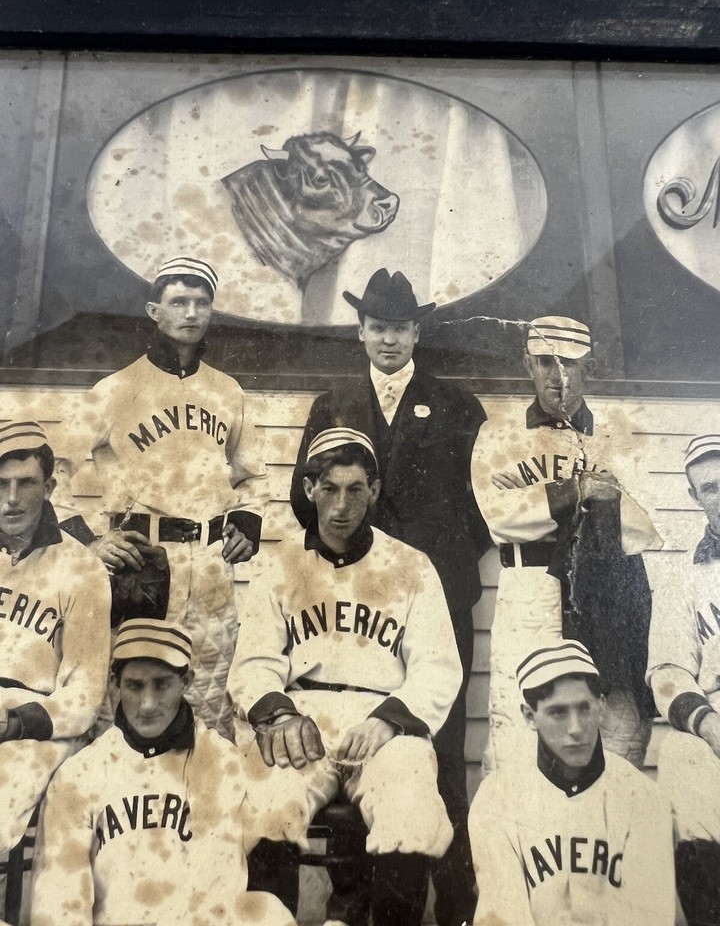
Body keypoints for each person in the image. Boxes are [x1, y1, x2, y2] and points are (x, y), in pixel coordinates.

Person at [290, 268, 488, 926]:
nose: (389, 339)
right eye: (378, 327)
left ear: (416, 331)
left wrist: (439, 565)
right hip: (355, 605)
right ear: (361, 330)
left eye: (400, 328)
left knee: (437, 750)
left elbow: (484, 507)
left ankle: (454, 907)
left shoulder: (456, 405)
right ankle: (350, 906)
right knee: (352, 742)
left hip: (433, 606)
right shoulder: (335, 404)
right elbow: (305, 499)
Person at [231, 428, 461, 926]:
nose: (341, 505)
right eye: (329, 489)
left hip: (384, 719)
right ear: (309, 488)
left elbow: (439, 666)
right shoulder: (278, 565)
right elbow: (253, 662)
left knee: (410, 805)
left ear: (374, 491)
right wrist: (280, 716)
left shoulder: (411, 566)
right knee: (268, 800)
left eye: (355, 489)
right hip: (302, 714)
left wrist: (389, 722)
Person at [68, 257, 268, 738]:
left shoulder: (227, 391)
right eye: (179, 301)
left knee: (211, 701)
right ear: (154, 311)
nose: (191, 313)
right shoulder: (116, 390)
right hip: (143, 564)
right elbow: (57, 464)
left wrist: (249, 521)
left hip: (210, 564)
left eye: (202, 302)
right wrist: (86, 539)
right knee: (129, 697)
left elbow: (254, 475)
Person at [471, 315, 662, 770]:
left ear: (588, 370)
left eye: (571, 365)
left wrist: (605, 501)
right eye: (545, 363)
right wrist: (575, 492)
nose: (558, 378)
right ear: (527, 366)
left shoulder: (620, 436)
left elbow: (643, 529)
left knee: (613, 721)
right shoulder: (499, 434)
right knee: (516, 720)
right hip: (528, 587)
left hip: (603, 590)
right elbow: (500, 518)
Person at [31, 617, 297, 926]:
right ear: (115, 684)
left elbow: (219, 892)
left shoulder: (221, 763)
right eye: (134, 685)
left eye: (162, 685)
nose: (147, 704)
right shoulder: (79, 776)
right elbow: (59, 904)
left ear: (186, 682)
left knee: (269, 911)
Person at [469, 639, 675, 926]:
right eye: (558, 712)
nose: (576, 728)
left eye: (585, 708)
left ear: (601, 706)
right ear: (530, 716)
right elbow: (503, 915)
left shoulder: (642, 798)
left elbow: (648, 917)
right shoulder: (497, 799)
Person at [0, 420, 111, 851]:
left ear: (48, 487)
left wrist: (16, 723)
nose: (11, 499)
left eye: (25, 484)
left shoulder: (82, 568)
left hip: (35, 729)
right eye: (1, 483)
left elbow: (84, 695)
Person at [647, 433, 720, 926]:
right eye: (711, 488)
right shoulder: (684, 581)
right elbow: (668, 670)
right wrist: (709, 723)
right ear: (695, 499)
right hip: (718, 719)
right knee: (681, 755)